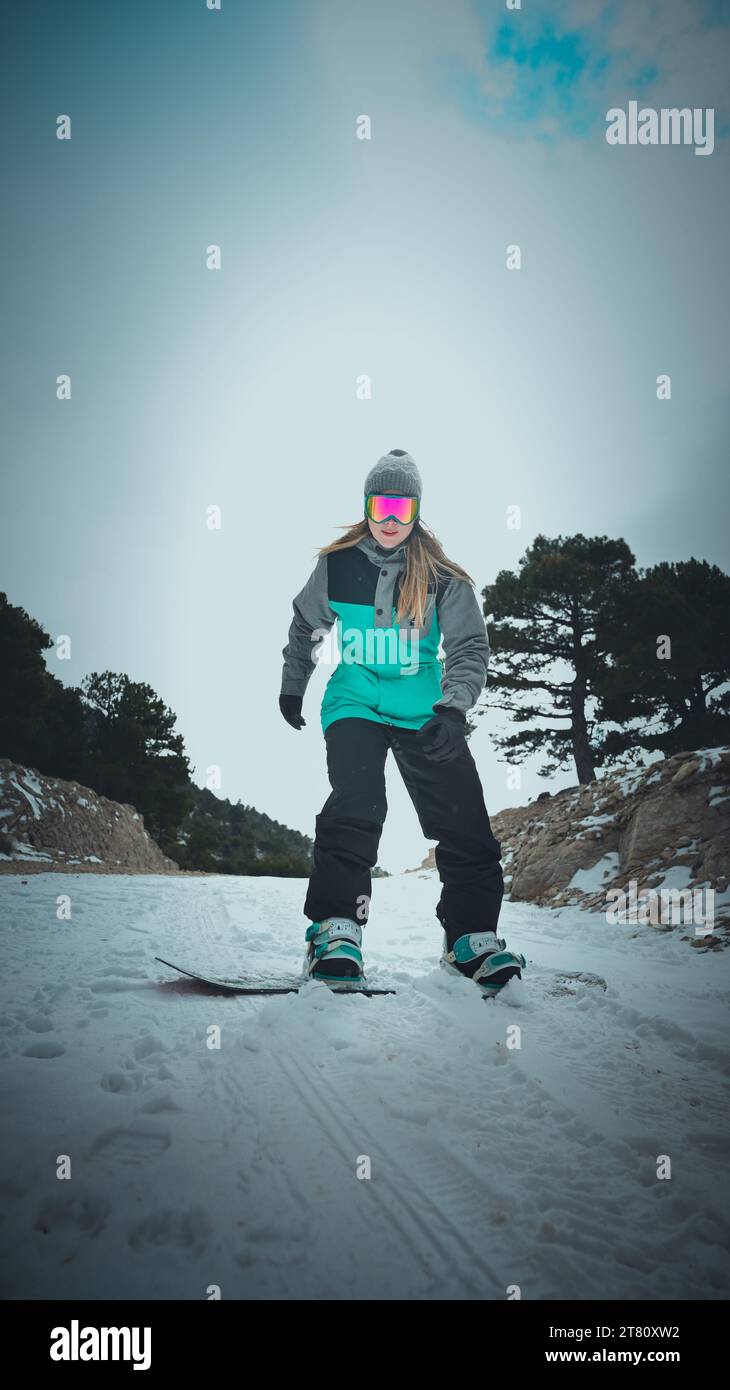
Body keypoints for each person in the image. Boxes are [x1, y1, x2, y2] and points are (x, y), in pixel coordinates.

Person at [279, 450, 524, 996]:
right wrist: (294, 683)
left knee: (463, 819)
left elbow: (469, 648)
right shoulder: (336, 565)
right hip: (356, 702)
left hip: (426, 710)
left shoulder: (443, 578)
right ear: (366, 506)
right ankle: (335, 931)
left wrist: (455, 708)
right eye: (380, 504)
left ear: (416, 511)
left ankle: (471, 939)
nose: (390, 518)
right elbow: (305, 627)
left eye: (401, 506)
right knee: (359, 802)